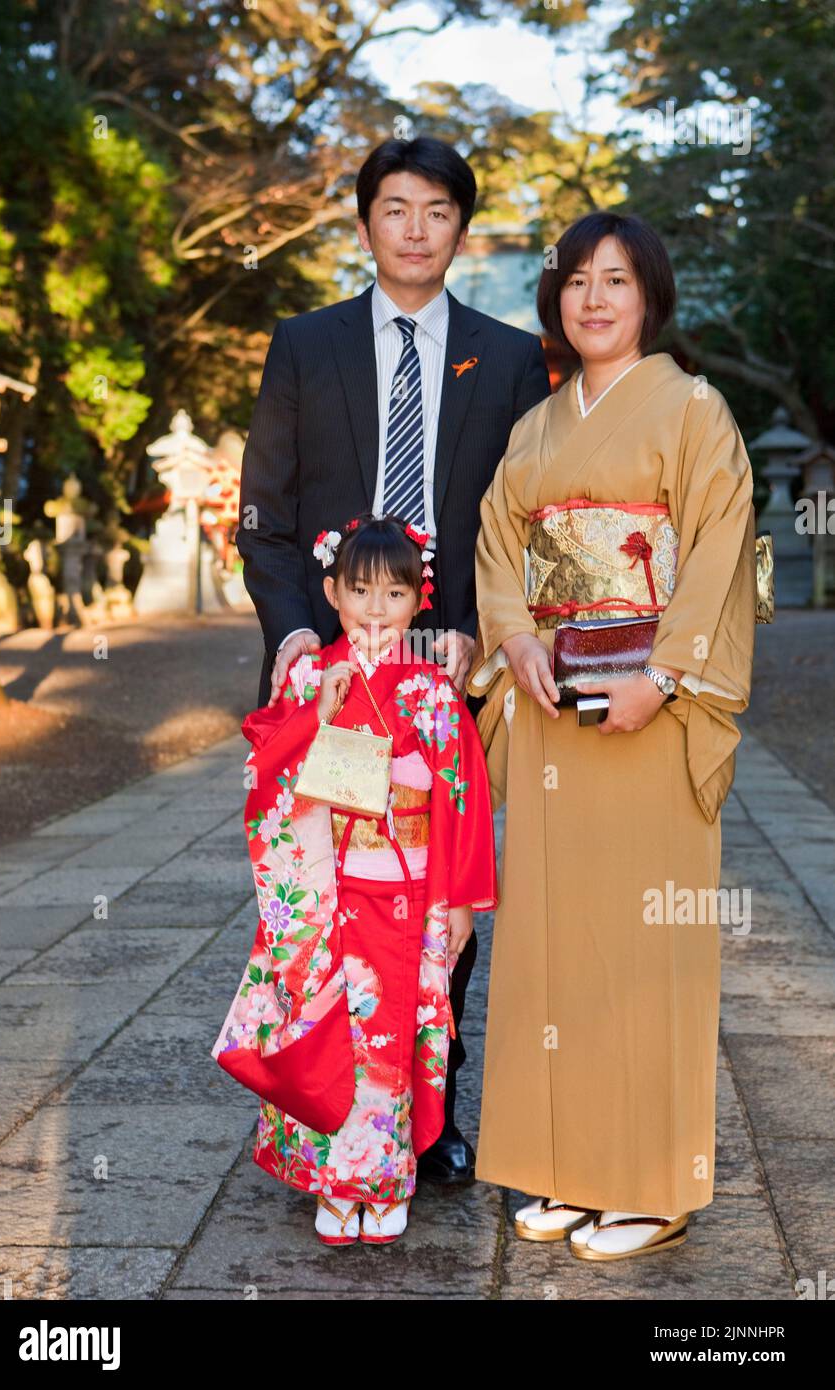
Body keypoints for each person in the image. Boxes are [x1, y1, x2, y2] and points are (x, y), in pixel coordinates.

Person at [236, 135, 551, 1182]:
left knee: (431, 900)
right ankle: (321, 1113)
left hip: (440, 673)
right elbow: (264, 521)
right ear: (363, 221)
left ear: (462, 227)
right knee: (325, 898)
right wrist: (297, 640)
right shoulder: (303, 343)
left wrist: (474, 631)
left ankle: (427, 1120)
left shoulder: (506, 358)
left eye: (437, 212)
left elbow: (514, 523)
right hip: (333, 674)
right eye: (394, 209)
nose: (415, 230)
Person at [467, 211, 757, 1260]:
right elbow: (500, 544)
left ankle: (649, 1177)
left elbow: (719, 547)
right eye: (577, 282)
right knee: (551, 945)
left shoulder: (691, 409)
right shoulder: (535, 429)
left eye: (616, 281)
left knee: (642, 946)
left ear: (649, 298)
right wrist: (514, 638)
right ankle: (560, 1165)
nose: (592, 299)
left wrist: (664, 674)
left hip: (646, 705)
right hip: (553, 710)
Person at [212, 513, 498, 1245]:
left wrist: (462, 898)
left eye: (394, 593)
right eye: (360, 590)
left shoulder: (433, 689)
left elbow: (461, 797)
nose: (375, 608)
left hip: (410, 897)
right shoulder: (309, 674)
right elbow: (264, 775)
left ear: (419, 599)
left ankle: (386, 1176)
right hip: (325, 893)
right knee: (328, 1032)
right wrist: (317, 712)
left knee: (393, 1039)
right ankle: (333, 1184)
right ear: (331, 593)